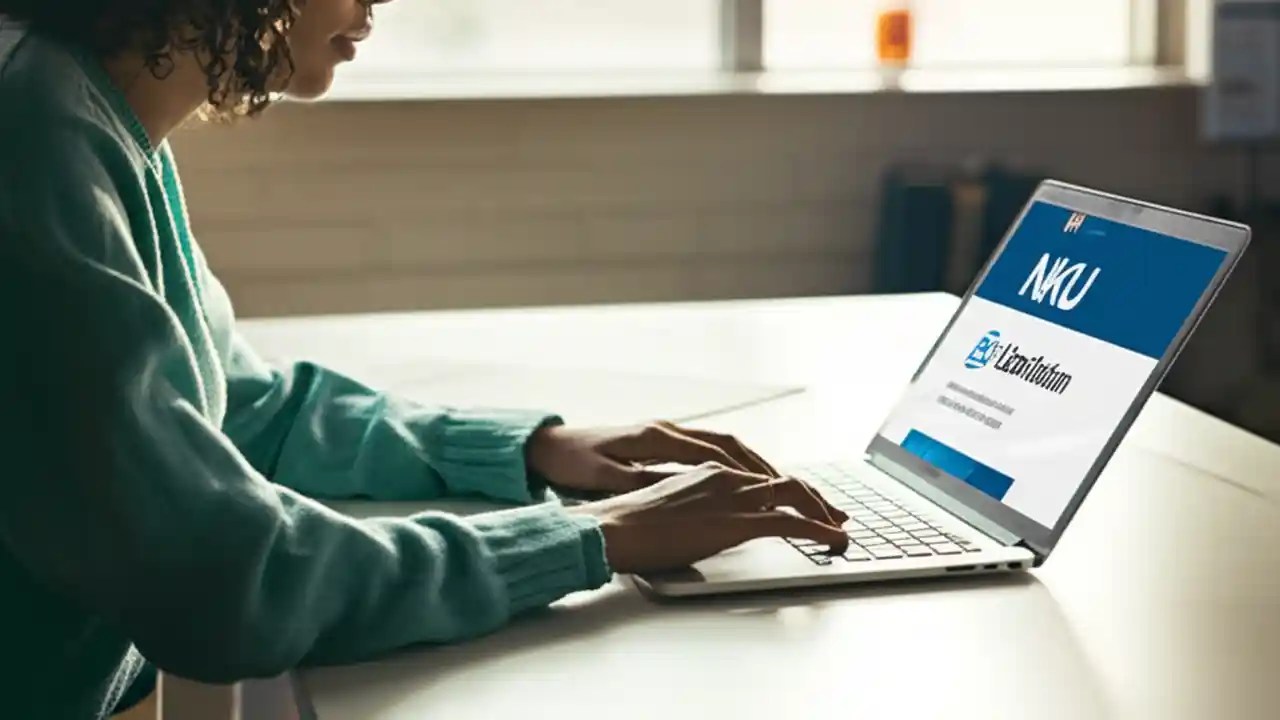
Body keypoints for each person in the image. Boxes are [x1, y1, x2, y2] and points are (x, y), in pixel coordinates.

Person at [0, 1, 850, 717]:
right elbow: (227, 580)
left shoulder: (83, 101)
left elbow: (247, 407)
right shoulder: (33, 136)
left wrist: (532, 449)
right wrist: (590, 537)